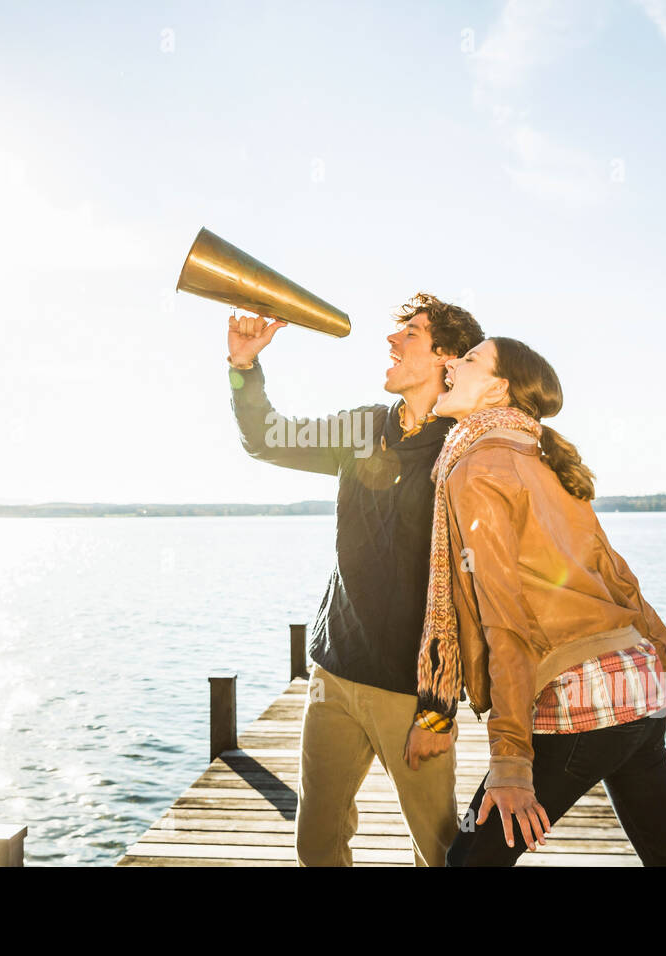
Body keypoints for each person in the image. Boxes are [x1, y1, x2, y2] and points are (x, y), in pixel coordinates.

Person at [406, 335, 666, 866]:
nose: (449, 365)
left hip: (580, 698)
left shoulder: (476, 468)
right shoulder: (541, 456)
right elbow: (620, 580)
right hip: (637, 682)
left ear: (498, 388)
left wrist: (510, 761)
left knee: (468, 863)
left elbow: (504, 620)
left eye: (467, 359)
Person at [227, 293, 484, 866]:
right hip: (336, 675)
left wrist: (439, 709)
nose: (392, 341)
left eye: (410, 334)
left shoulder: (465, 451)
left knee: (438, 848)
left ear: (448, 359)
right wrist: (244, 369)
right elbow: (267, 438)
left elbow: (476, 594)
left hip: (413, 692)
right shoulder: (362, 427)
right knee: (316, 844)